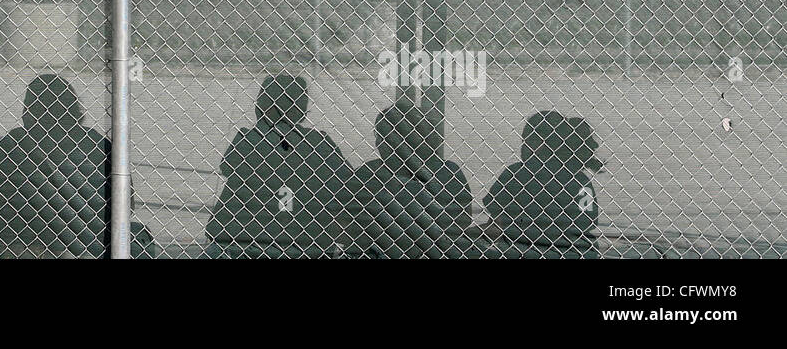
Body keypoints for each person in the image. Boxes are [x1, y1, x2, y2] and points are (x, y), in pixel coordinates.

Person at [205, 74, 354, 257]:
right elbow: (349, 182)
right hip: (306, 245)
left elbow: (228, 166)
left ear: (260, 108)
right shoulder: (319, 142)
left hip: (241, 243)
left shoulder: (249, 138)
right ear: (302, 112)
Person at [0, 74, 118, 258]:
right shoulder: (97, 143)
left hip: (20, 240)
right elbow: (126, 203)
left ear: (31, 110)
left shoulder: (14, 142)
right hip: (84, 244)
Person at [347, 98, 472, 257]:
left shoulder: (446, 172)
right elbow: (346, 223)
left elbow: (461, 221)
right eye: (379, 136)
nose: (380, 143)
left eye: (390, 138)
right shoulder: (367, 174)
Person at [483, 109, 604, 258]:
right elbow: (587, 225)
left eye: (526, 140)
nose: (522, 146)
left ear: (541, 143)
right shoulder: (580, 180)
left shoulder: (515, 174)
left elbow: (494, 226)